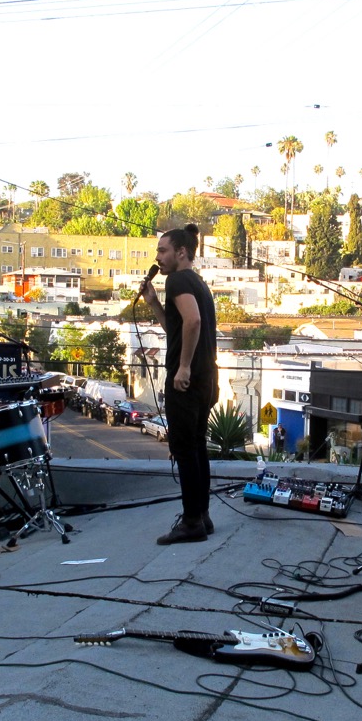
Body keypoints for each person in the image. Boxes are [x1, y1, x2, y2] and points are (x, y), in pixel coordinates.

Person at [141, 223, 218, 544]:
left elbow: (194, 321)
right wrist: (154, 304)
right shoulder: (195, 282)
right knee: (196, 447)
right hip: (206, 378)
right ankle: (202, 516)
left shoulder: (178, 279)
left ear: (181, 252)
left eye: (163, 250)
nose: (158, 257)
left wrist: (183, 367)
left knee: (185, 450)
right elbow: (177, 326)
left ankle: (191, 522)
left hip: (187, 380)